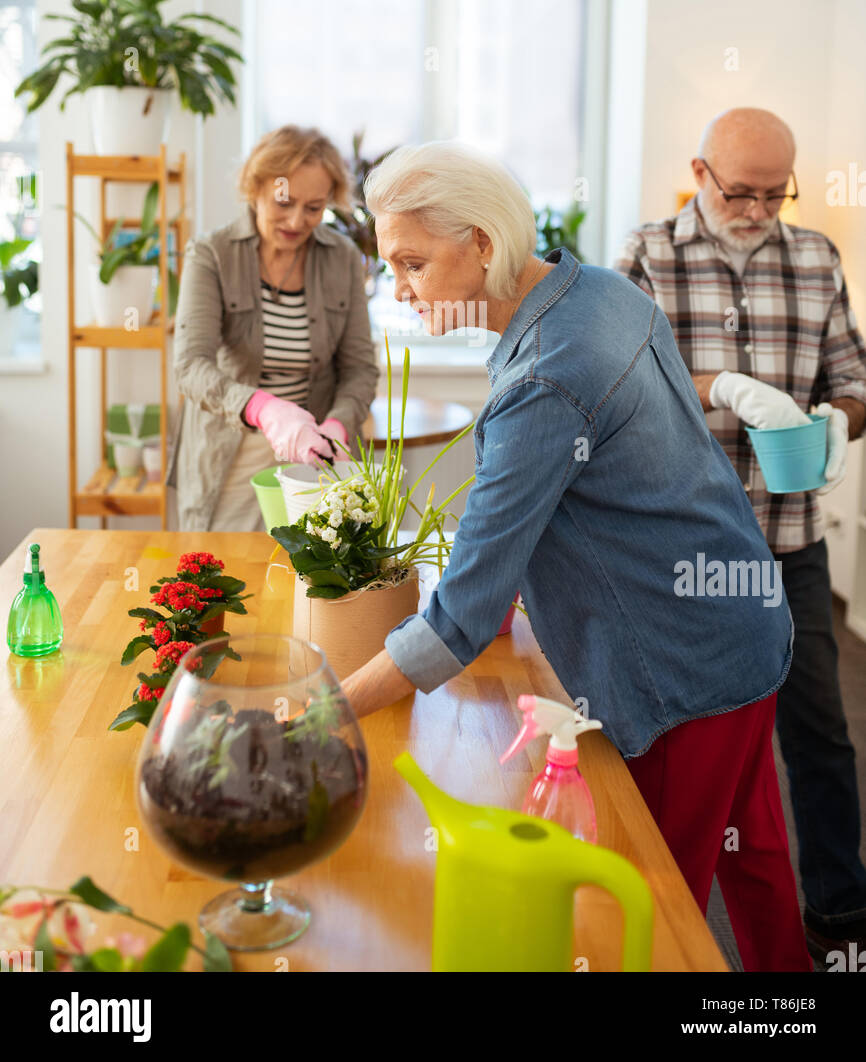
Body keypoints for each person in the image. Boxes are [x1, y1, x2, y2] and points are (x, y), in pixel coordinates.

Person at [340, 140, 812, 972]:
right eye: (391, 266)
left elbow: (458, 621)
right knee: (759, 868)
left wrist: (328, 706)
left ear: (482, 243)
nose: (401, 289)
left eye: (414, 264)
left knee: (648, 912)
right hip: (745, 622)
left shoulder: (542, 384)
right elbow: (618, 484)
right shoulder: (595, 290)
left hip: (681, 670)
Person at [614, 106, 866, 967]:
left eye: (775, 192)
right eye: (741, 191)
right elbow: (618, 382)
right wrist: (721, 385)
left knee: (820, 731)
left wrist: (839, 418)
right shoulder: (647, 254)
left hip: (789, 542)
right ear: (699, 171)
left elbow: (853, 376)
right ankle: (658, 924)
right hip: (685, 553)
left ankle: (839, 916)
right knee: (691, 746)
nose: (759, 207)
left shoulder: (817, 258)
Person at [167, 125, 379, 530]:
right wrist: (265, 411)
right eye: (284, 202)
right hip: (231, 456)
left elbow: (359, 368)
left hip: (315, 455)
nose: (297, 220)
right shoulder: (212, 255)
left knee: (311, 582)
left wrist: (337, 425)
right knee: (230, 577)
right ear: (255, 187)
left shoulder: (343, 259)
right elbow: (191, 366)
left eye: (314, 208)